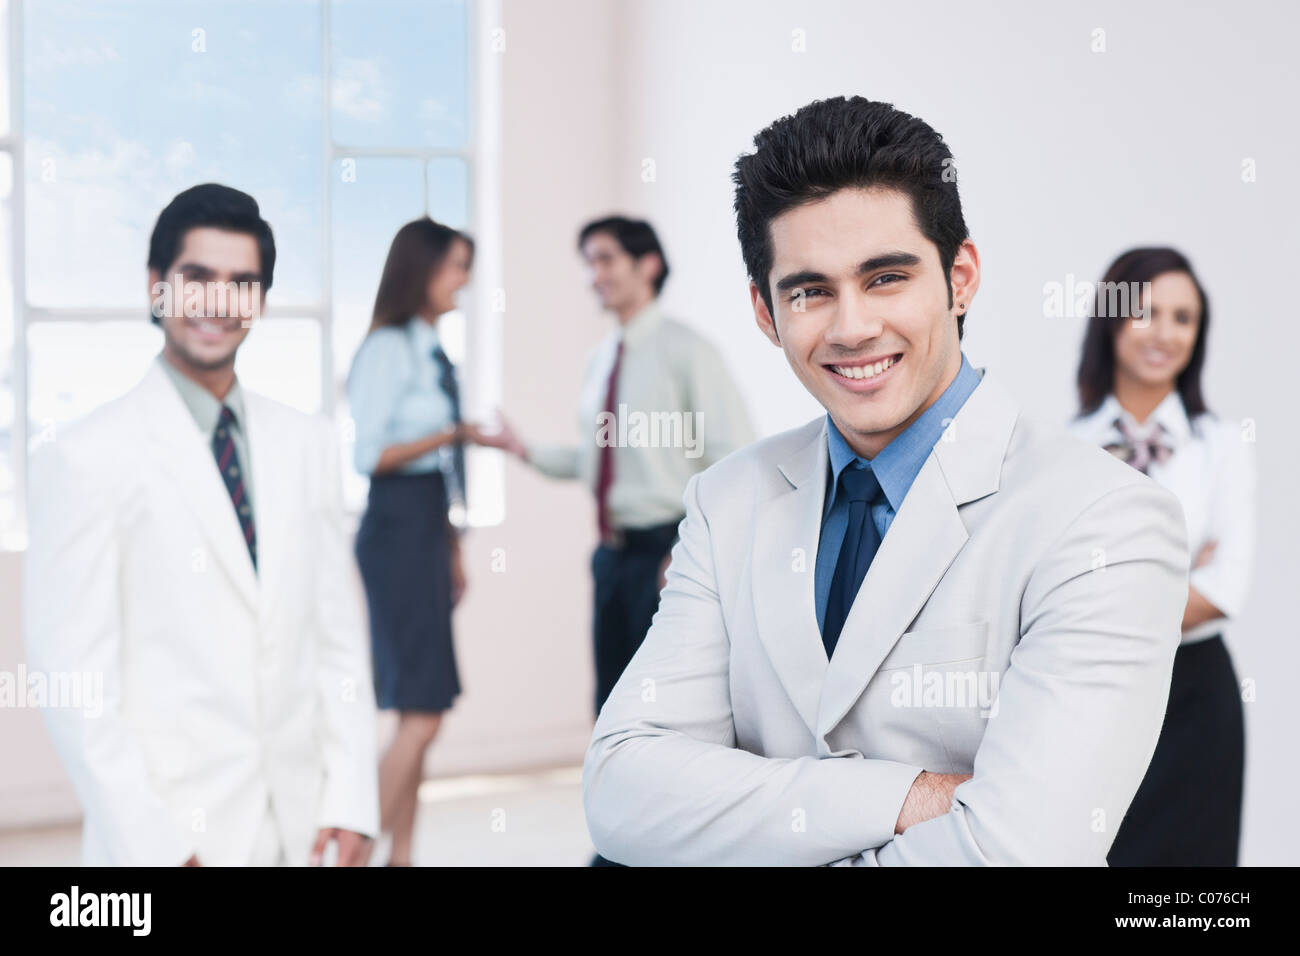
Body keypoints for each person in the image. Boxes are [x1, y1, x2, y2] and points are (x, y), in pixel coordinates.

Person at [581, 96, 1191, 866]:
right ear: (766, 315)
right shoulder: (727, 502)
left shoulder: (1105, 520)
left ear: (959, 277)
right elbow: (621, 788)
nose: (851, 327)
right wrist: (913, 795)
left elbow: (1020, 852)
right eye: (809, 291)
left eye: (886, 278)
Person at [24, 183, 379, 866]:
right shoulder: (86, 457)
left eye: (242, 282)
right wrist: (156, 847)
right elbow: (76, 684)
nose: (219, 302)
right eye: (197, 278)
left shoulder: (307, 442)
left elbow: (337, 640)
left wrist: (352, 800)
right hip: (171, 839)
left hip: (304, 828)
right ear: (156, 286)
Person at [475, 216, 753, 718]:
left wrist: (688, 553)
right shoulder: (601, 360)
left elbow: (733, 460)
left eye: (604, 259)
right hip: (612, 556)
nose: (592, 276)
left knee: (667, 713)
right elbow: (597, 462)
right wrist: (523, 450)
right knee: (612, 709)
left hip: (668, 555)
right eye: (588, 263)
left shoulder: (687, 351)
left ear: (648, 265)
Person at [1068, 247, 1255, 866]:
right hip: (1097, 699)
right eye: (1146, 312)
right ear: (1111, 321)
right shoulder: (1065, 450)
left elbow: (1224, 590)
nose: (1166, 333)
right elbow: (1050, 592)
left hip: (1197, 701)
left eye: (1184, 318)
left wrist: (1109, 593)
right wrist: (1175, 578)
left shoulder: (1222, 447)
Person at [347, 217, 474, 868]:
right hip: (395, 527)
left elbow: (437, 473)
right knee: (421, 708)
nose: (465, 281)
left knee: (418, 714)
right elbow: (371, 455)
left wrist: (452, 545)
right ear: (421, 270)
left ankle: (401, 859)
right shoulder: (388, 348)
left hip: (426, 525)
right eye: (456, 267)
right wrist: (452, 434)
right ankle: (348, 854)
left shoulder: (428, 346)